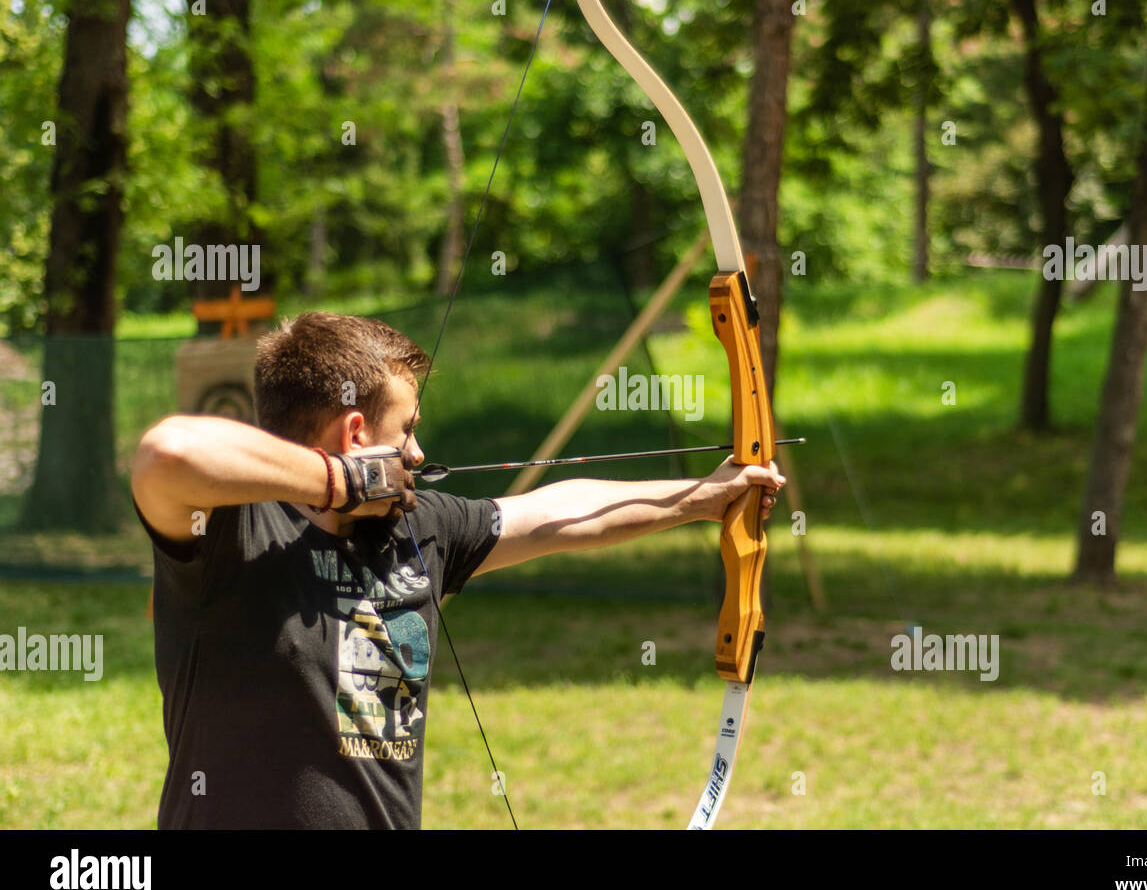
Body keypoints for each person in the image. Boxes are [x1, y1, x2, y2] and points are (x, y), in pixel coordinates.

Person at [130, 311, 784, 828]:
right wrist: (340, 482)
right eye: (407, 429)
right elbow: (167, 452)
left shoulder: (418, 530)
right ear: (356, 434)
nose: (418, 451)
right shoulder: (229, 534)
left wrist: (701, 497)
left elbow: (559, 514)